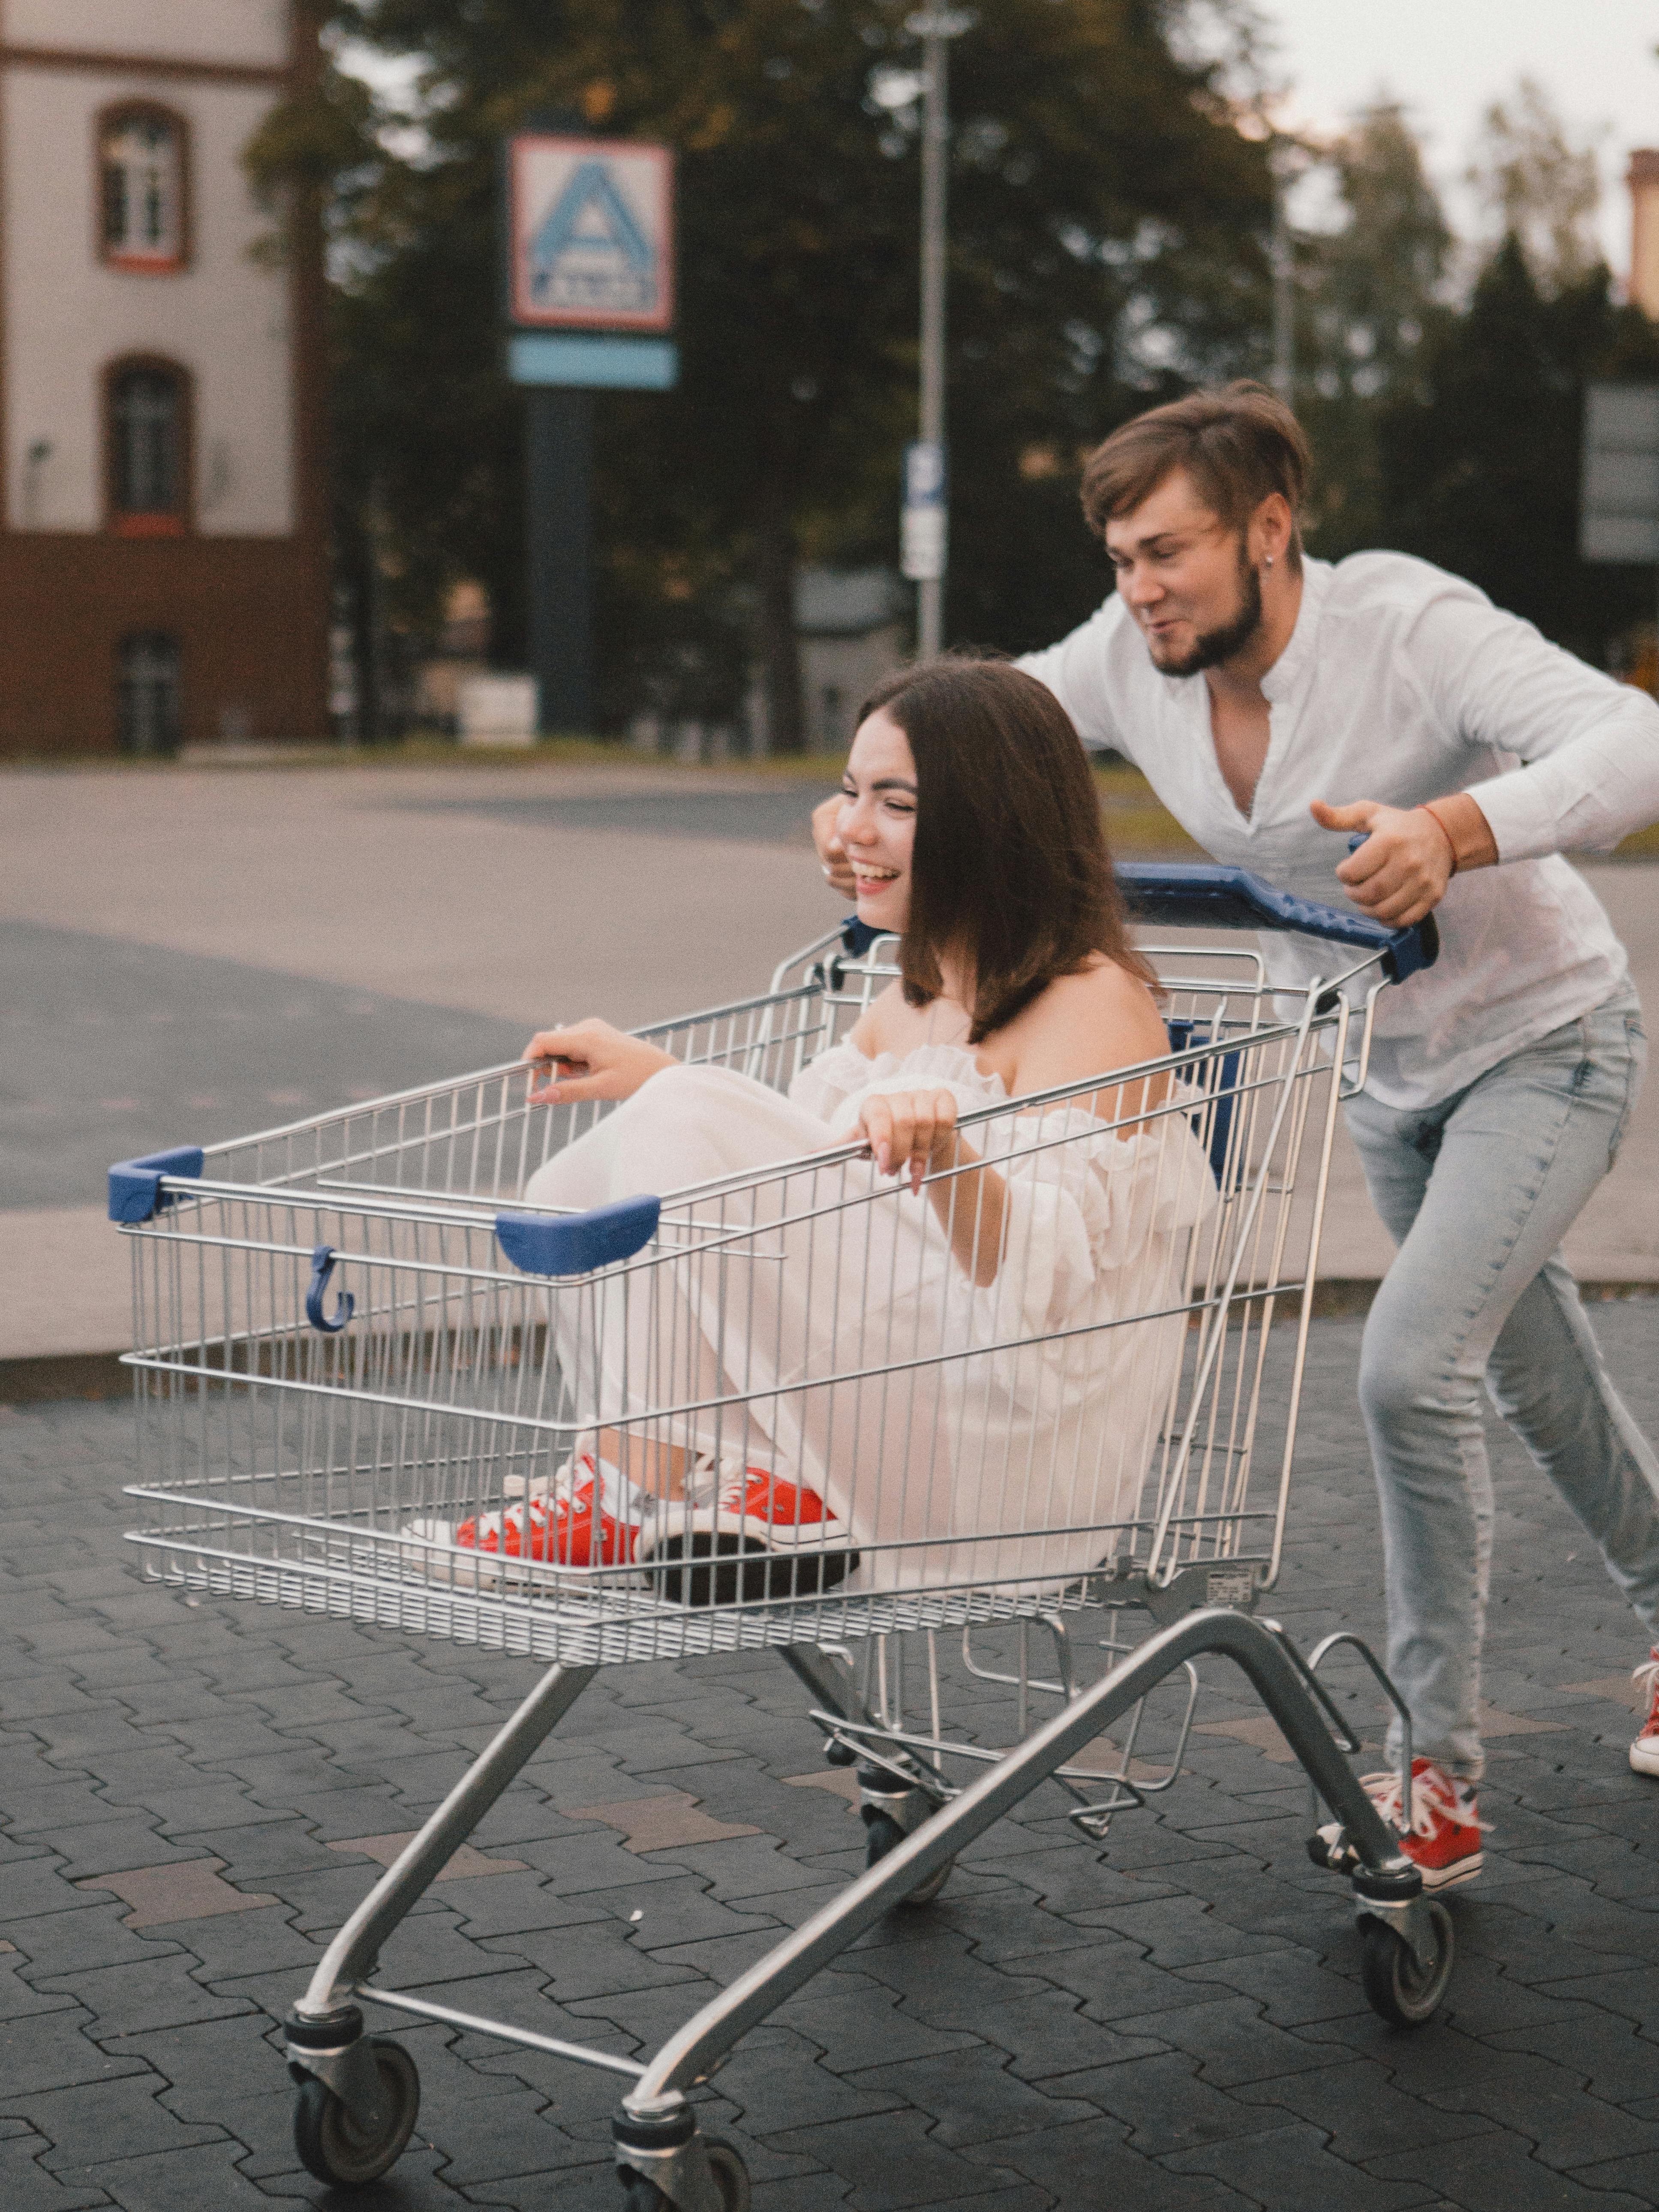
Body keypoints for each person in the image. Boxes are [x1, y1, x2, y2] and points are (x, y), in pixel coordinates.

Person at [815, 382, 1659, 1886]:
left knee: (1407, 1372)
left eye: (1167, 553)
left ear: (1268, 531)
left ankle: (1434, 1781)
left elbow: (1632, 739)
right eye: (1119, 559)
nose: (1138, 589)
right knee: (1535, 1380)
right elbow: (979, 739)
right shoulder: (1125, 658)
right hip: (1381, 1077)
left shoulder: (1403, 623)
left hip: (1544, 1042)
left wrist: (1451, 830)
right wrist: (871, 818)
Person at [414, 658, 1215, 1600]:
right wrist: (662, 1080)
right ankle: (660, 1486)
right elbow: (794, 1202)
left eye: (896, 803)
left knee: (688, 1118)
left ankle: (627, 1498)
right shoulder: (903, 1004)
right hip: (879, 1416)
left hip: (1001, 1452)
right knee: (619, 1168)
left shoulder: (1093, 1005)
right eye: (848, 793)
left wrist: (947, 1154)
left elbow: (1048, 1284)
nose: (848, 829)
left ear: (993, 823)